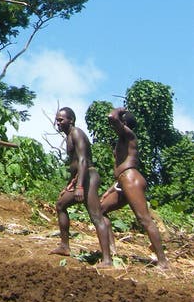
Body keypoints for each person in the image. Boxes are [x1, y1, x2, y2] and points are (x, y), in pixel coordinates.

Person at [100, 107, 168, 269]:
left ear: (124, 123)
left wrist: (121, 109)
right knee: (100, 209)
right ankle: (111, 250)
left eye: (120, 122)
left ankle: (163, 262)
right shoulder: (121, 138)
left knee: (144, 219)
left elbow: (111, 116)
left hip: (131, 179)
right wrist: (110, 191)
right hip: (123, 181)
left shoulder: (129, 135)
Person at [50, 107, 113, 267]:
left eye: (61, 119)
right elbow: (75, 165)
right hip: (80, 178)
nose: (58, 123)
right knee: (60, 205)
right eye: (57, 119)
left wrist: (79, 187)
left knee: (96, 216)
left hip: (89, 178)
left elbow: (83, 160)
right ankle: (65, 246)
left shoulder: (77, 133)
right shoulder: (69, 136)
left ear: (71, 120)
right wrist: (69, 185)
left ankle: (107, 260)